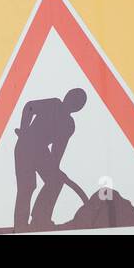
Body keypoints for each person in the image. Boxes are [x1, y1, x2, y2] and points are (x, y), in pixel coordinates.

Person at [13, 87, 87, 230]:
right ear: (67, 97)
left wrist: (55, 169)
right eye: (74, 99)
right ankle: (20, 225)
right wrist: (24, 130)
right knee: (27, 186)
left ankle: (40, 218)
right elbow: (29, 106)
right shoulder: (54, 104)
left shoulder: (69, 125)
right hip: (26, 146)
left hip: (41, 151)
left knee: (56, 180)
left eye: (78, 103)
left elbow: (58, 150)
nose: (75, 104)